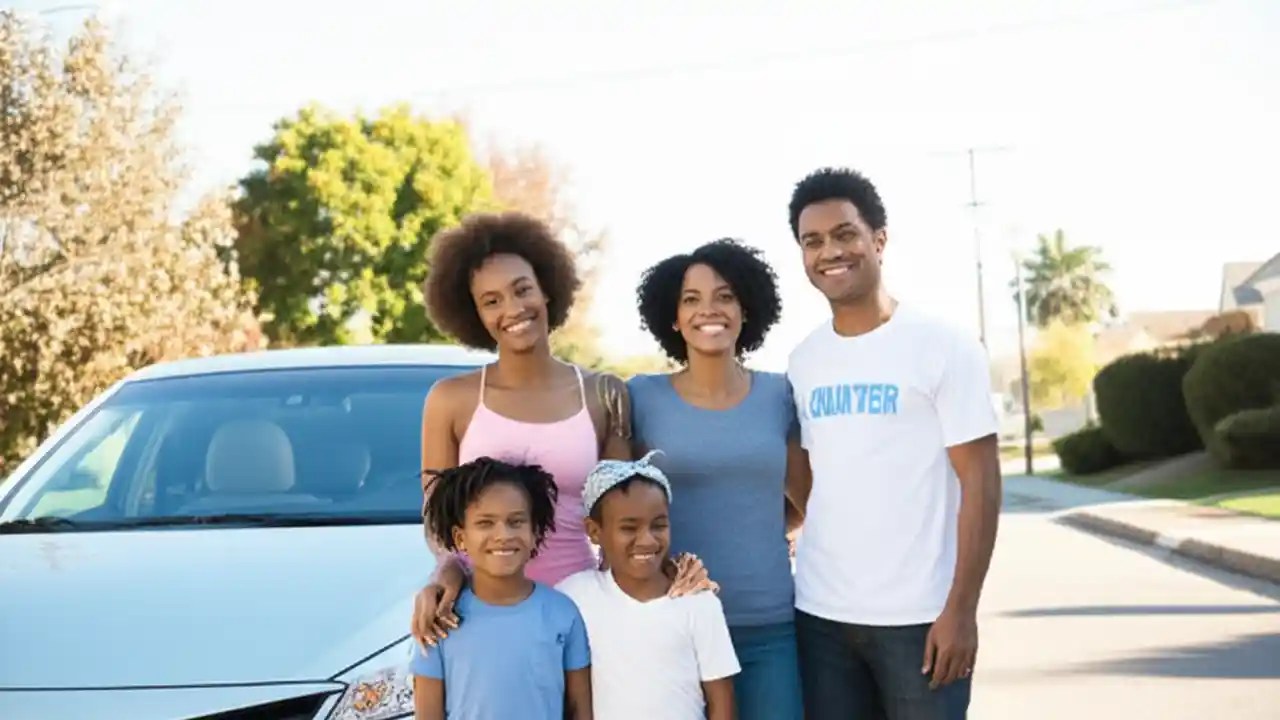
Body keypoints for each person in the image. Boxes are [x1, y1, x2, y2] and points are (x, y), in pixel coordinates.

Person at [411, 211, 709, 649]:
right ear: (473, 312)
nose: (512, 309)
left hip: (583, 612)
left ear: (547, 288)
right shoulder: (450, 400)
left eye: (521, 289)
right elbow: (437, 524)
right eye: (491, 301)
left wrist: (667, 572)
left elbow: (623, 520)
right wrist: (446, 571)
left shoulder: (604, 394)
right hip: (482, 609)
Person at [784, 167, 1002, 719]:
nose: (829, 251)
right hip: (821, 616)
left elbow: (980, 480)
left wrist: (962, 609)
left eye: (844, 234)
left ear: (878, 240)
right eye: (813, 241)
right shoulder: (803, 361)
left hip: (922, 620)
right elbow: (815, 483)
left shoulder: (942, 346)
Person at [627, 238, 806, 720]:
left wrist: (773, 527)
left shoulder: (779, 396)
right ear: (673, 317)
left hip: (769, 626)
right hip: (672, 624)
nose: (709, 309)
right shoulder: (640, 398)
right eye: (691, 299)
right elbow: (616, 510)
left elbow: (811, 498)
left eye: (724, 296)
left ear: (746, 309)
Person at [556, 453, 739, 720]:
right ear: (594, 531)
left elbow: (721, 700)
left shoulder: (698, 601)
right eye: (629, 528)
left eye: (659, 525)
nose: (647, 540)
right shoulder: (574, 597)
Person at [411, 457, 592, 720]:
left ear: (535, 533)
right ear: (461, 538)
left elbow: (580, 711)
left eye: (516, 521)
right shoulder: (440, 620)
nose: (503, 535)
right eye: (485, 523)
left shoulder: (563, 613)